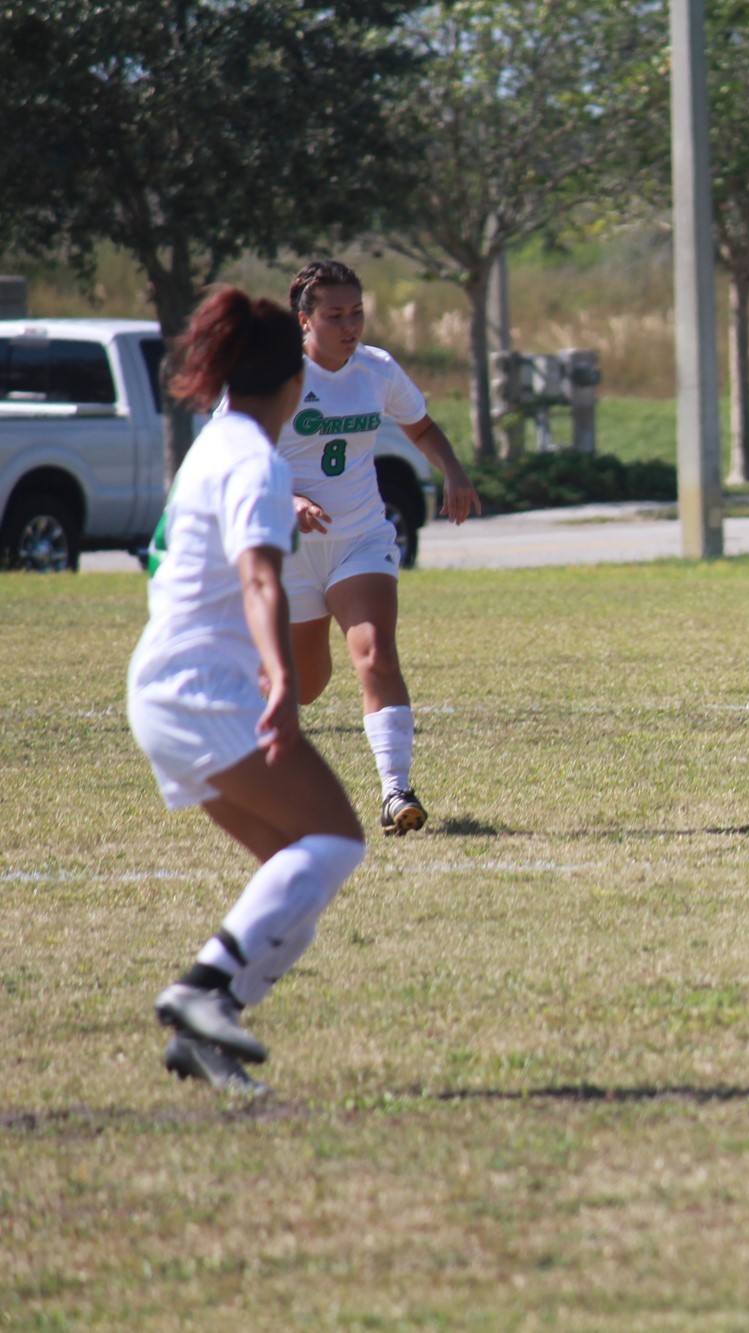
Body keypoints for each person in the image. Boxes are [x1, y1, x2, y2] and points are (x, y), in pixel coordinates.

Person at [131, 287, 368, 1097]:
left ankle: (204, 1034)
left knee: (290, 872)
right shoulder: (256, 460)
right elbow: (262, 579)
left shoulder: (215, 443)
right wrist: (280, 675)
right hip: (204, 688)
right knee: (336, 839)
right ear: (296, 379)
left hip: (165, 686)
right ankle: (202, 988)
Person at [275, 260, 481, 835]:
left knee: (377, 656)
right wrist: (288, 499)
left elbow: (421, 426)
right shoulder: (273, 375)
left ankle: (396, 791)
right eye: (335, 315)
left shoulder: (376, 369)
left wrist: (453, 471)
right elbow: (231, 454)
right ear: (304, 320)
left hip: (361, 538)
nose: (350, 326)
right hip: (290, 547)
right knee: (306, 685)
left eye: (357, 313)